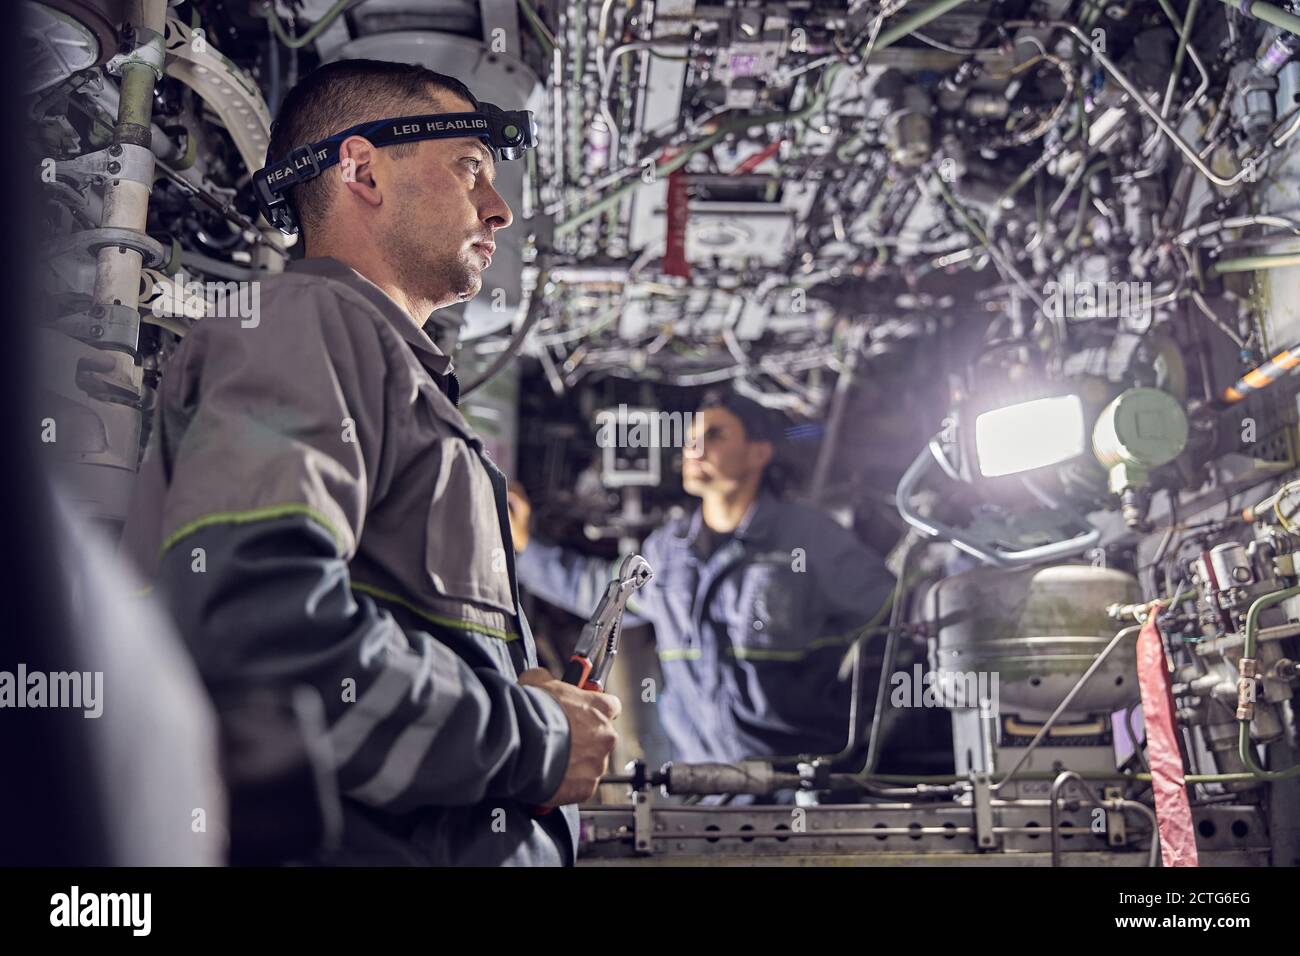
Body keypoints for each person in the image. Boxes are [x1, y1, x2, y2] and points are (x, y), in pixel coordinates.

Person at [119, 59, 618, 866]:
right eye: (471, 168)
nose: (498, 209)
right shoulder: (306, 322)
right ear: (362, 170)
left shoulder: (376, 364)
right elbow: (265, 643)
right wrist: (536, 738)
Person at [509, 390, 894, 768]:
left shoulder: (809, 539)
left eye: (715, 435)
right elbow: (601, 594)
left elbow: (894, 617)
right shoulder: (668, 550)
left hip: (795, 785)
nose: (695, 448)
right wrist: (526, 548)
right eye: (692, 437)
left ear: (759, 453)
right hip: (704, 787)